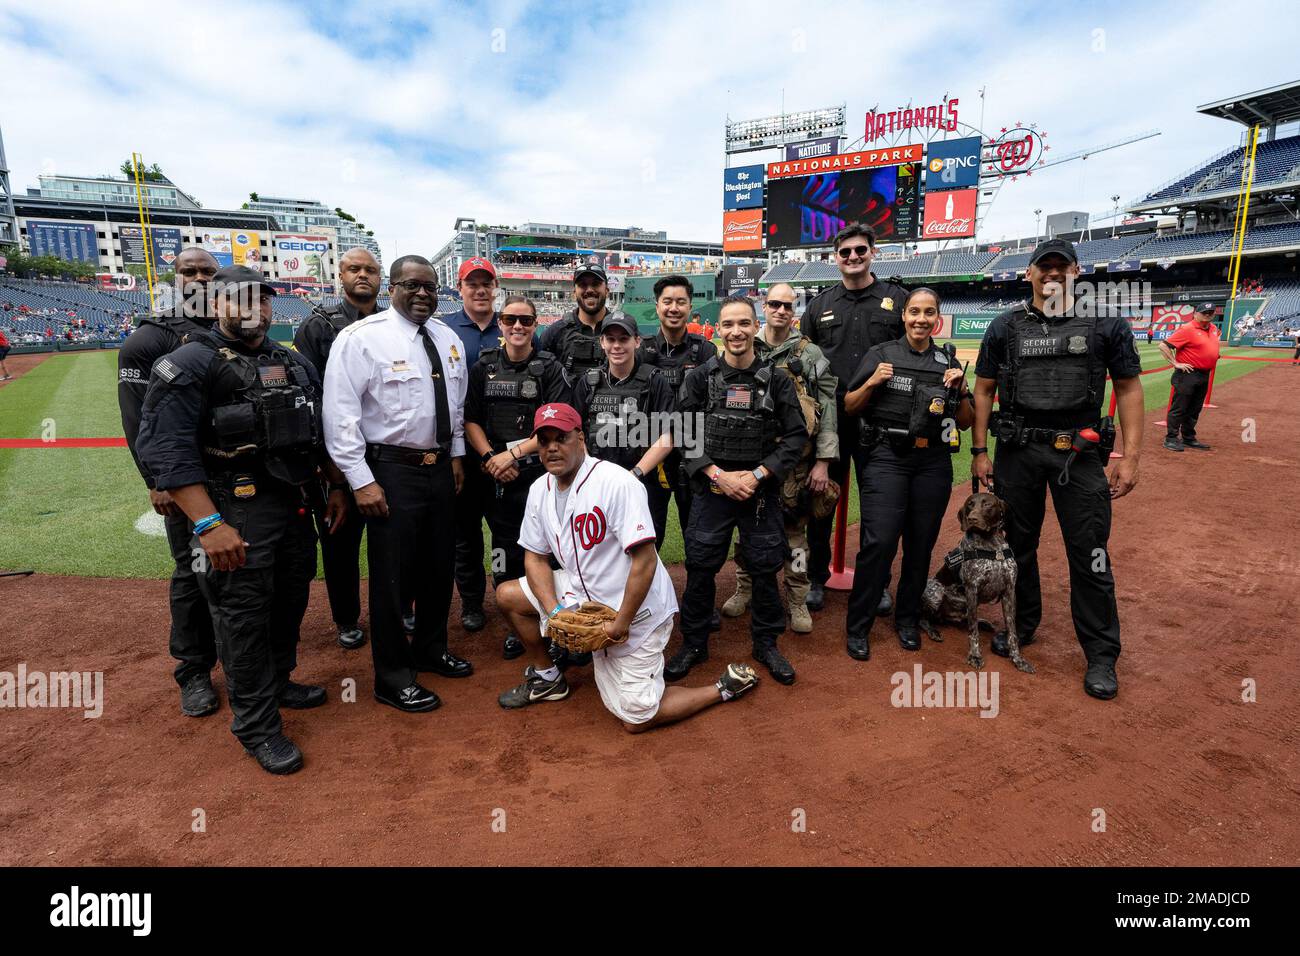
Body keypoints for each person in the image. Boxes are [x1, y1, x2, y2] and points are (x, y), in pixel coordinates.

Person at [136, 265, 340, 774]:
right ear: (216, 304)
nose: (254, 308)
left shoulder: (290, 363)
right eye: (240, 298)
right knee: (243, 617)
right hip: (231, 509)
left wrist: (334, 486)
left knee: (290, 600)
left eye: (263, 299)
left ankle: (279, 681)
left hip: (292, 504)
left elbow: (317, 435)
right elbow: (166, 450)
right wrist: (207, 525)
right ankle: (256, 725)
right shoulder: (188, 363)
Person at [494, 403, 760, 729]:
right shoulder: (539, 490)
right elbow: (534, 557)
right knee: (508, 595)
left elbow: (645, 562)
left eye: (560, 438)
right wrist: (554, 611)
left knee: (636, 718)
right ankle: (548, 678)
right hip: (581, 592)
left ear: (580, 438)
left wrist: (620, 625)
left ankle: (722, 688)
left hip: (636, 610)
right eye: (544, 440)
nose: (552, 447)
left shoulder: (616, 483)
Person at [971, 238, 1143, 701]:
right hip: (1018, 451)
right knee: (1017, 549)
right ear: (1028, 273)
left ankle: (1102, 655)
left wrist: (1131, 456)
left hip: (1080, 454)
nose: (1051, 274)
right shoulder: (1004, 326)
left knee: (1090, 552)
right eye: (1042, 267)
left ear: (1075, 272)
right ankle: (1021, 626)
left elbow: (1128, 388)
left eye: (1060, 267)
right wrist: (980, 450)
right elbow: (983, 389)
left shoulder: (1106, 323)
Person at [324, 254, 472, 713]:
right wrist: (361, 481)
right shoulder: (360, 339)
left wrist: (457, 455)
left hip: (440, 465)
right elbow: (339, 418)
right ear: (393, 288)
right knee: (392, 576)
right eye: (412, 285)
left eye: (430, 285)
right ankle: (392, 676)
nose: (423, 293)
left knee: (438, 566)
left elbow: (458, 405)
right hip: (390, 469)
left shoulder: (447, 338)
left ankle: (430, 648)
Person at [666, 296, 809, 685]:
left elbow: (795, 436)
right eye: (728, 324)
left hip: (758, 493)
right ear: (719, 329)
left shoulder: (777, 380)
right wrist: (717, 475)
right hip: (713, 490)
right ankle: (694, 644)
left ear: (754, 325)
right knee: (700, 569)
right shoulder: (700, 379)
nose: (736, 332)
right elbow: (682, 431)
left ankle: (766, 644)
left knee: (764, 570)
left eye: (744, 324)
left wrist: (759, 474)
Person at [117, 246, 221, 717]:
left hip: (232, 475)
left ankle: (255, 669)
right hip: (181, 480)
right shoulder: (149, 340)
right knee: (192, 572)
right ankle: (194, 671)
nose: (199, 278)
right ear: (173, 277)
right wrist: (156, 480)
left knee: (244, 572)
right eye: (189, 271)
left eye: (208, 272)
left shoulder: (228, 331)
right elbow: (138, 419)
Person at [842, 288, 972, 659]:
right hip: (886, 458)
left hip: (931, 462)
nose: (921, 319)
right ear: (904, 315)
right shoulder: (881, 355)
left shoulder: (948, 361)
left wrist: (961, 389)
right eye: (914, 311)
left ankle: (907, 619)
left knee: (920, 545)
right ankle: (859, 625)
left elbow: (964, 422)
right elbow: (850, 406)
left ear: (937, 319)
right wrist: (871, 382)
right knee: (879, 542)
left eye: (929, 313)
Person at [801, 223, 908, 616]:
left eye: (860, 250)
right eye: (845, 252)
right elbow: (806, 364)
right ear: (836, 257)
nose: (853, 258)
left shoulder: (897, 299)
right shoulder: (819, 305)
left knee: (879, 510)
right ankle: (815, 577)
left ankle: (876, 582)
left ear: (873, 252)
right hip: (831, 421)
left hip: (882, 420)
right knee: (819, 504)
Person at [723, 282, 837, 634]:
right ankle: (745, 588)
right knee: (747, 533)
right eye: (774, 304)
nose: (781, 311)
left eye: (787, 306)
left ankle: (798, 599)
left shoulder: (811, 354)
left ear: (794, 312)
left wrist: (824, 461)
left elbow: (828, 407)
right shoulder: (745, 345)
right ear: (764, 307)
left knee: (795, 539)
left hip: (794, 464)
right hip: (752, 459)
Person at [463, 295, 570, 660]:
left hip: (539, 475)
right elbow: (471, 420)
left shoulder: (550, 368)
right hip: (496, 476)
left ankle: (551, 620)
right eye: (510, 320)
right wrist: (493, 458)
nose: (518, 326)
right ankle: (515, 623)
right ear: (501, 323)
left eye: (526, 320)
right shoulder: (484, 368)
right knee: (501, 551)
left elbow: (555, 425)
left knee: (549, 549)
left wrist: (514, 454)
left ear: (536, 323)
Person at [292, 247, 382, 649]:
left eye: (370, 270)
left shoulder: (394, 322)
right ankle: (346, 617)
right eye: (354, 269)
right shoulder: (317, 326)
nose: (363, 275)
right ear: (340, 275)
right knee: (340, 541)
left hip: (385, 453)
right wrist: (328, 466)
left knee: (393, 540)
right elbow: (309, 397)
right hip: (336, 458)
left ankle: (399, 606)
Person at [447, 257, 512, 634]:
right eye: (473, 283)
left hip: (508, 454)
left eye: (486, 282)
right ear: (461, 288)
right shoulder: (445, 330)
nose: (480, 289)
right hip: (465, 454)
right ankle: (472, 602)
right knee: (465, 535)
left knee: (505, 533)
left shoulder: (512, 326)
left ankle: (505, 594)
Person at [572, 312, 676, 544]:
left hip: (643, 480)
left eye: (624, 339)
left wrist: (635, 475)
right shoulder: (589, 382)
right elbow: (575, 432)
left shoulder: (654, 381)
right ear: (602, 343)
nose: (617, 345)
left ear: (637, 341)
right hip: (596, 481)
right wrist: (591, 472)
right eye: (611, 339)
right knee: (598, 549)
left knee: (643, 551)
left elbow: (669, 435)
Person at [637, 274, 716, 548]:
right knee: (646, 536)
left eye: (681, 302)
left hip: (692, 457)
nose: (674, 308)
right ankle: (647, 591)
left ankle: (696, 592)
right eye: (667, 301)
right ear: (657, 306)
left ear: (690, 307)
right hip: (649, 454)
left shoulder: (706, 350)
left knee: (696, 537)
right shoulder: (640, 350)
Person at [1158, 301, 1220, 452]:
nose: (1207, 315)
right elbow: (1163, 345)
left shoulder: (1213, 328)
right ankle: (1171, 438)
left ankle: (1188, 437)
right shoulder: (1187, 329)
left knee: (1194, 408)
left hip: (1204, 374)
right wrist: (1175, 363)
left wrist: (1213, 355)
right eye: (1204, 313)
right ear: (1195, 314)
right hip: (1187, 374)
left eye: (1210, 313)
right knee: (1179, 407)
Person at [538, 262, 610, 383]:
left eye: (596, 284)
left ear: (607, 291)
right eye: (582, 285)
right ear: (574, 293)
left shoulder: (622, 331)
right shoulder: (554, 333)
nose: (590, 290)